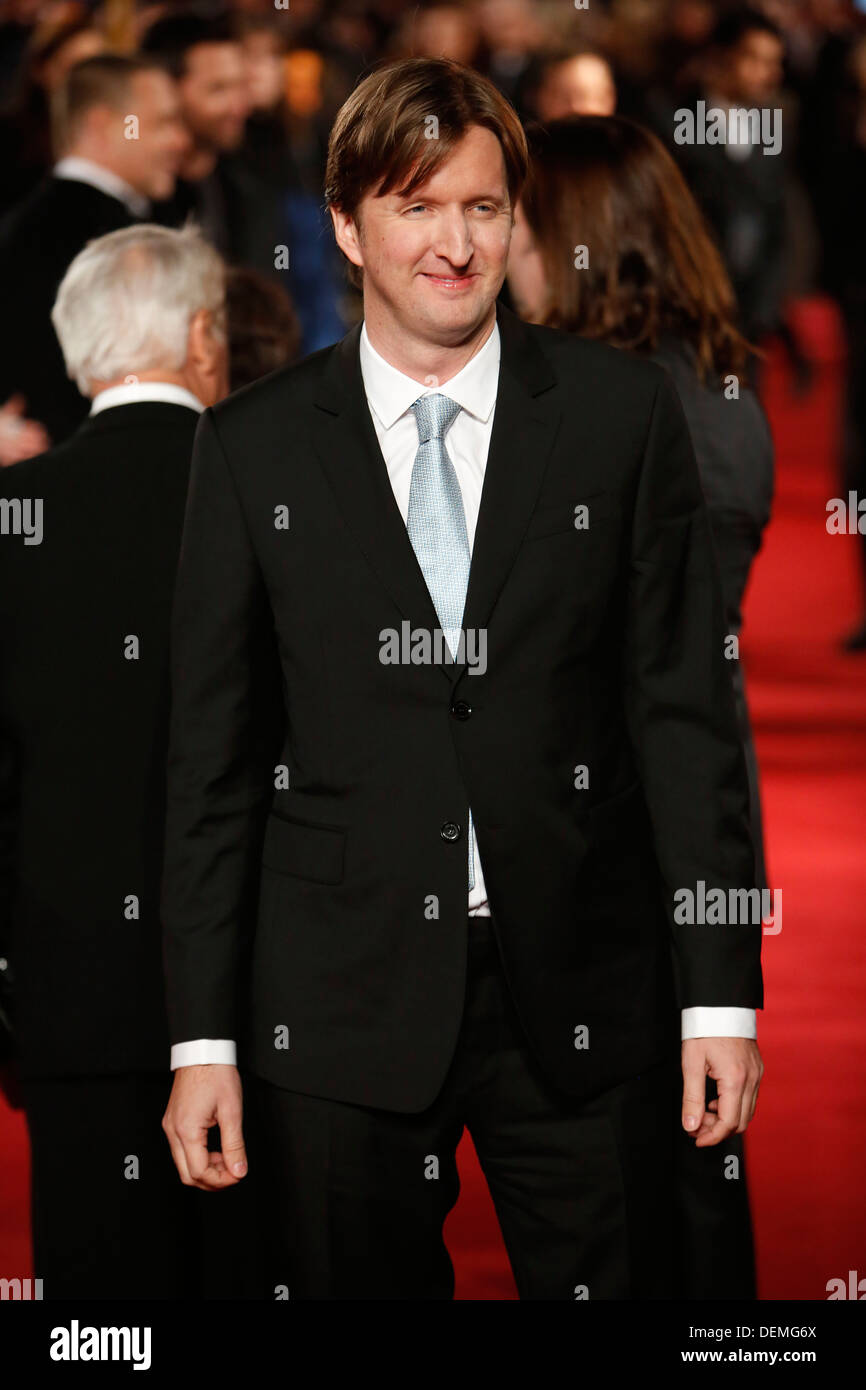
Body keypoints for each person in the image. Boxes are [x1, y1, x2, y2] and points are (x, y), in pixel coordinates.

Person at [160, 57, 763, 1301]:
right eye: (416, 207)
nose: (455, 244)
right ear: (345, 225)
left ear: (515, 219)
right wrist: (203, 1037)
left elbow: (681, 717)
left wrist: (719, 1002)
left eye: (482, 208)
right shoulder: (251, 444)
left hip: (585, 992)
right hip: (334, 1007)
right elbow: (209, 768)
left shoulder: (616, 416)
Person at [506, 113, 774, 1296]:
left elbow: (665, 669)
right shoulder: (689, 375)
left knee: (674, 1173)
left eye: (505, 218)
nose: (484, 248)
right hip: (653, 813)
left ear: (568, 233)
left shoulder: (654, 409)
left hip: (647, 821)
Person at [0, 223, 264, 1299]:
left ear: (77, 352)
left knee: (103, 1310)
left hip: (69, 999)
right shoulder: (280, 505)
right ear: (206, 336)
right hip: (265, 995)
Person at [0, 54, 188, 445]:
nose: (180, 141)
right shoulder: (93, 238)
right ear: (102, 126)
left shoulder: (29, 222)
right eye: (162, 123)